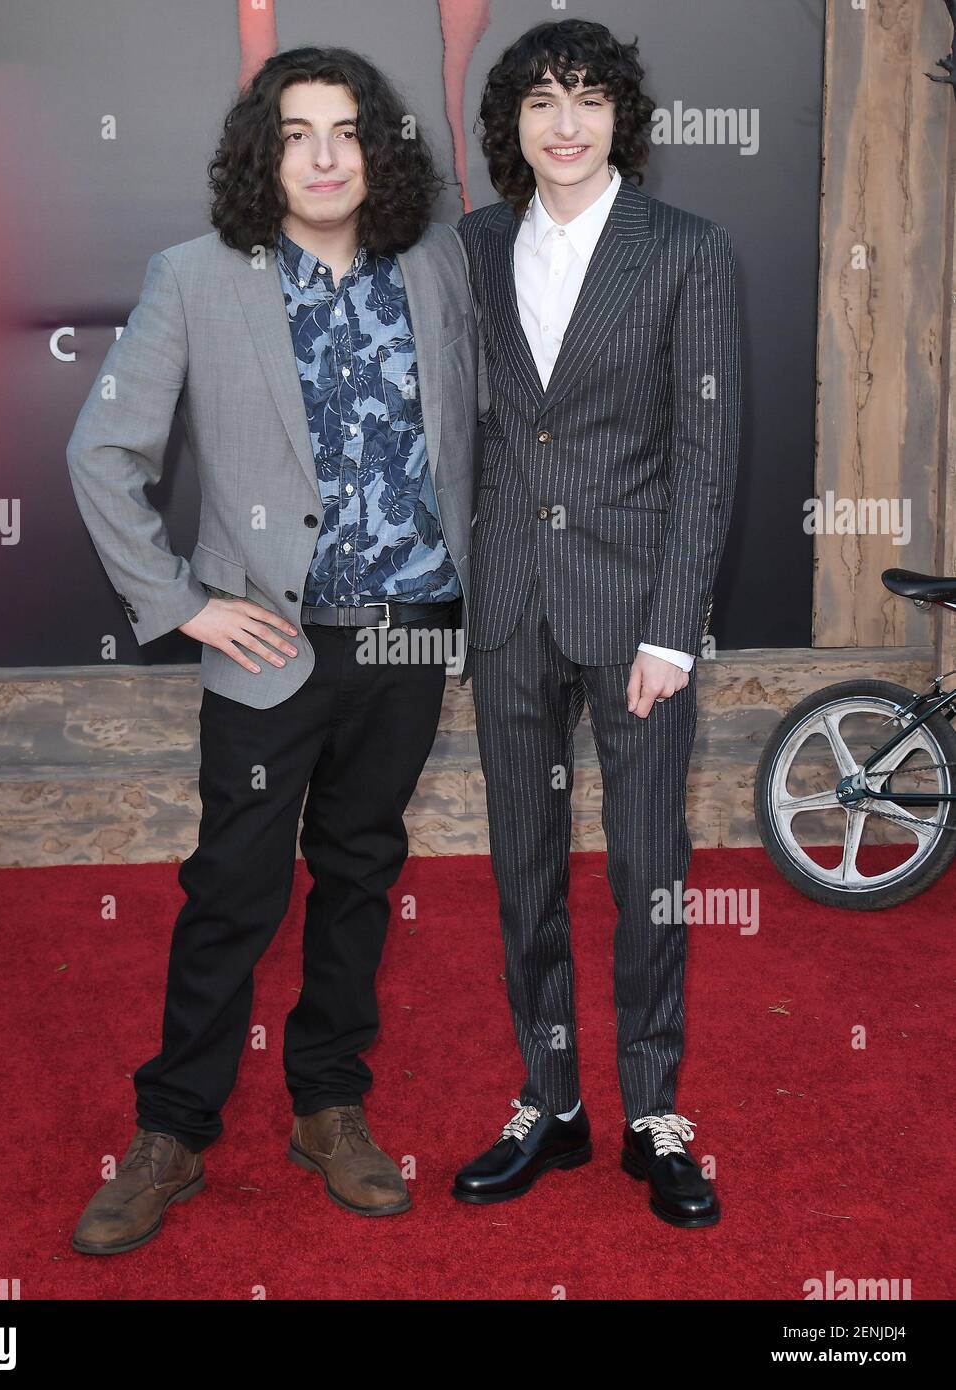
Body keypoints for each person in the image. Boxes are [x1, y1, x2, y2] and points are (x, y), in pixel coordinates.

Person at [65, 46, 479, 1252]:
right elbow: (103, 454)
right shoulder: (196, 278)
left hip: (410, 637)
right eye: (297, 133)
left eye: (347, 131)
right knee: (233, 890)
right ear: (265, 152)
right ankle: (174, 1128)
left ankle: (329, 1107)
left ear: (378, 148)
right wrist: (183, 602)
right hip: (267, 644)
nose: (324, 156)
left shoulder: (439, 266)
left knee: (360, 874)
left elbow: (483, 437)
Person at [451, 18, 741, 1227]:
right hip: (509, 604)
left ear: (618, 116)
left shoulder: (684, 250)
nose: (563, 123)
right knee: (521, 869)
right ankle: (551, 1097)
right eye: (538, 103)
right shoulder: (465, 249)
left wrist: (673, 628)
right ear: (510, 127)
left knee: (646, 870)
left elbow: (707, 451)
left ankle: (651, 1110)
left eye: (585, 99)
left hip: (636, 617)